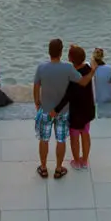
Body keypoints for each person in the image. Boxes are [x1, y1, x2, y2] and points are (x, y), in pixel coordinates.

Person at [33, 39, 96, 179]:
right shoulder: (68, 68)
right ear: (61, 52)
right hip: (63, 112)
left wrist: (37, 103)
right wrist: (93, 71)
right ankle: (58, 168)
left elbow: (36, 86)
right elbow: (83, 82)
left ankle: (43, 168)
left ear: (49, 52)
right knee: (61, 140)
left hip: (45, 110)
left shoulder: (41, 67)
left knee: (44, 139)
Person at [54, 45, 95, 171]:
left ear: (70, 59)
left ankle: (76, 161)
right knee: (86, 134)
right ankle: (85, 160)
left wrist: (56, 109)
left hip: (75, 111)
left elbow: (67, 96)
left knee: (74, 137)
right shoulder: (88, 69)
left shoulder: (71, 75)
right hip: (87, 109)